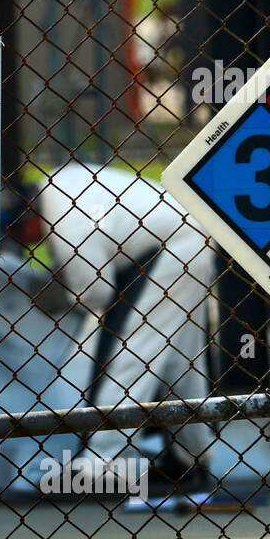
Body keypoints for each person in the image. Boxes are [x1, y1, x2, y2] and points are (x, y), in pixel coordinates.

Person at [31, 162, 218, 497]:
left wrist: (49, 297)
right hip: (186, 232)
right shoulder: (57, 182)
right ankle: (191, 458)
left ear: (27, 217)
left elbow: (94, 291)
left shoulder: (63, 223)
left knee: (130, 352)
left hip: (169, 245)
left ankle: (104, 463)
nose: (31, 244)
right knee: (180, 361)